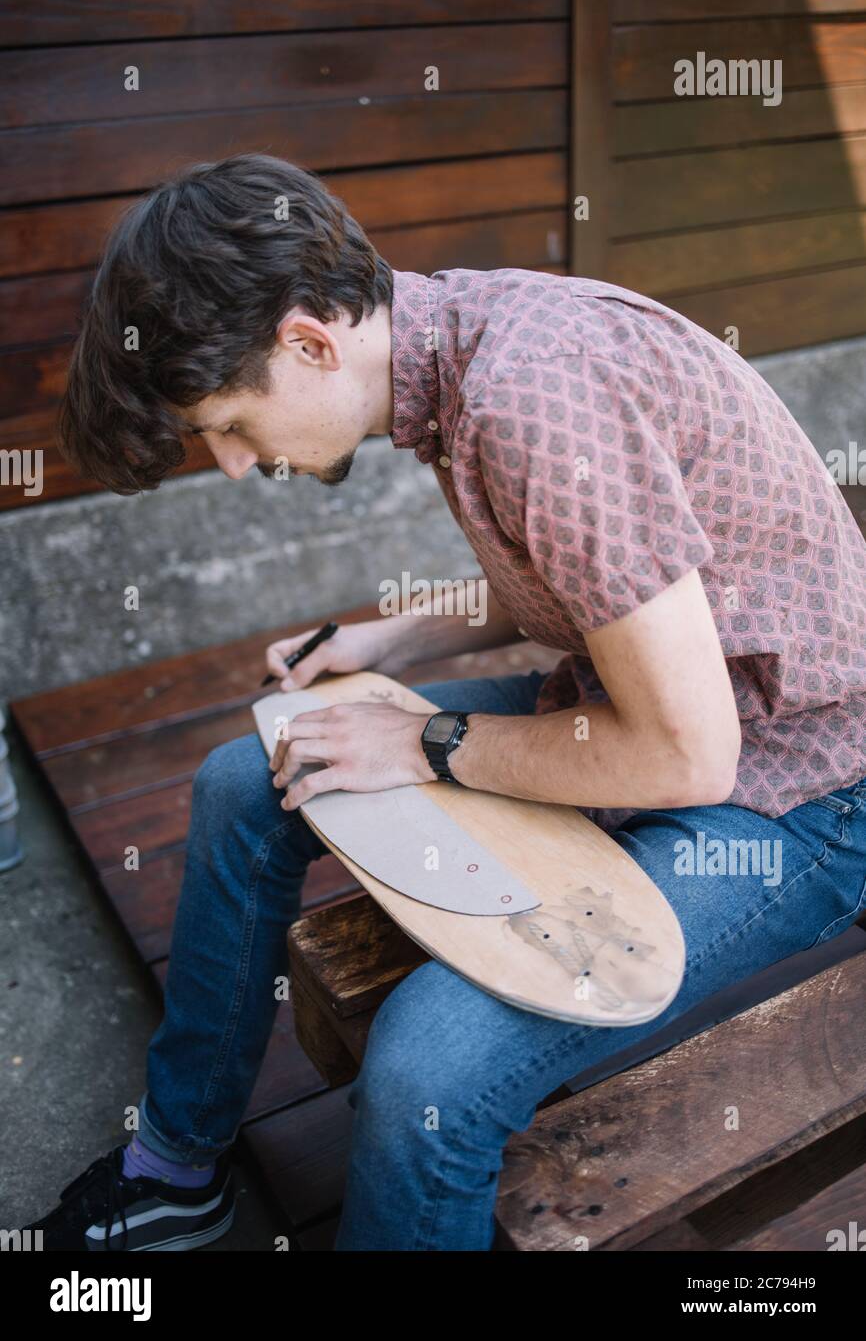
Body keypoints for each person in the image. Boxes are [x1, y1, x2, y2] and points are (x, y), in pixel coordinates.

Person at [27, 153, 866, 1250]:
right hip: (628, 708)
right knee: (248, 775)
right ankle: (178, 1167)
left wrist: (427, 738)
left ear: (309, 344)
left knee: (429, 1070)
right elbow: (599, 579)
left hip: (797, 787)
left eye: (228, 424)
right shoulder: (456, 342)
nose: (233, 464)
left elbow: (689, 757)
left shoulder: (533, 394)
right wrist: (400, 631)